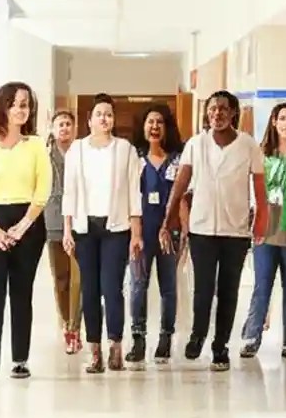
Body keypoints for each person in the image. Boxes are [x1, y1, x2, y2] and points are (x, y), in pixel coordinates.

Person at [160, 90, 267, 371]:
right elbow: (180, 184)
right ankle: (198, 335)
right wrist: (167, 220)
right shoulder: (196, 144)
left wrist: (262, 221)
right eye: (212, 110)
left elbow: (259, 188)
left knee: (229, 291)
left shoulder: (248, 146)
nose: (216, 114)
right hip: (202, 228)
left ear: (234, 113)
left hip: (236, 231)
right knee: (203, 288)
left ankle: (221, 347)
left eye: (222, 109)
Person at [0, 82, 51, 384]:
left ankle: (20, 359)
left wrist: (23, 226)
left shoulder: (36, 145)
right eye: (15, 103)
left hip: (27, 224)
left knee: (21, 293)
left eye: (25, 104)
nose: (21, 109)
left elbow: (42, 190)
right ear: (2, 106)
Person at [62, 94, 142, 374]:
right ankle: (94, 349)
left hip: (116, 228)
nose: (104, 118)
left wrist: (136, 232)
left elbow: (134, 192)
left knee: (112, 287)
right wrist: (67, 228)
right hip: (85, 228)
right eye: (99, 114)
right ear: (90, 119)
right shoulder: (77, 150)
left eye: (108, 114)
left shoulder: (125, 150)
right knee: (90, 290)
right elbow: (69, 191)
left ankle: (116, 346)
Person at [239, 103, 286, 359]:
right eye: (282, 118)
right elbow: (250, 193)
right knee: (262, 284)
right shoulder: (262, 156)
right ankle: (252, 336)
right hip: (266, 228)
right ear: (273, 122)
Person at [126, 103, 186, 367]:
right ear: (143, 127)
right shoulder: (135, 157)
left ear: (167, 127)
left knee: (168, 288)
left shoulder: (178, 158)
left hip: (168, 231)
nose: (154, 127)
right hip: (141, 231)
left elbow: (183, 197)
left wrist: (184, 231)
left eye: (159, 122)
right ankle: (138, 338)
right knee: (138, 284)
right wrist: (133, 233)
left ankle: (165, 338)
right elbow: (127, 197)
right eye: (150, 122)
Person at [44, 110, 83, 354]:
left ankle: (74, 327)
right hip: (53, 222)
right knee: (61, 278)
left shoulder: (82, 154)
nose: (65, 128)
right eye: (60, 124)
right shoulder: (44, 156)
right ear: (52, 128)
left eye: (69, 124)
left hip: (80, 222)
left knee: (78, 278)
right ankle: (65, 323)